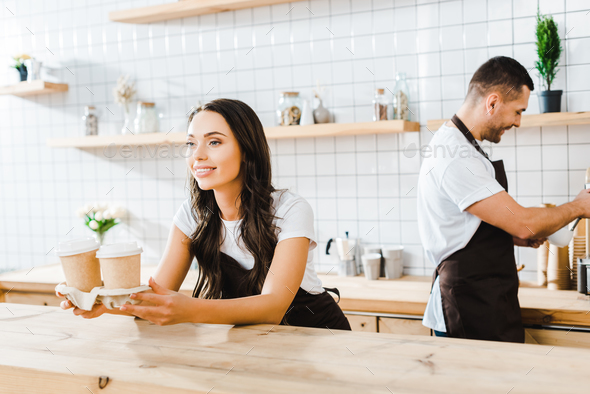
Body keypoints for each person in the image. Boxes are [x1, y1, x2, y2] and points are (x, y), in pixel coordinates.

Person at [58, 98, 351, 331]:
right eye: (191, 143)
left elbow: (272, 308)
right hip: (257, 345)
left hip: (318, 339)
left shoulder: (289, 209)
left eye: (214, 142)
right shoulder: (192, 215)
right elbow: (159, 294)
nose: (197, 155)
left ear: (246, 150)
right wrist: (105, 302)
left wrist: (188, 309)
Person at [417, 56, 590, 343]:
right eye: (518, 111)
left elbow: (467, 225)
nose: (519, 122)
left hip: (485, 301)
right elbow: (523, 222)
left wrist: (510, 239)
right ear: (493, 102)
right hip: (469, 307)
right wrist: (579, 207)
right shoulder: (454, 154)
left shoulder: (465, 149)